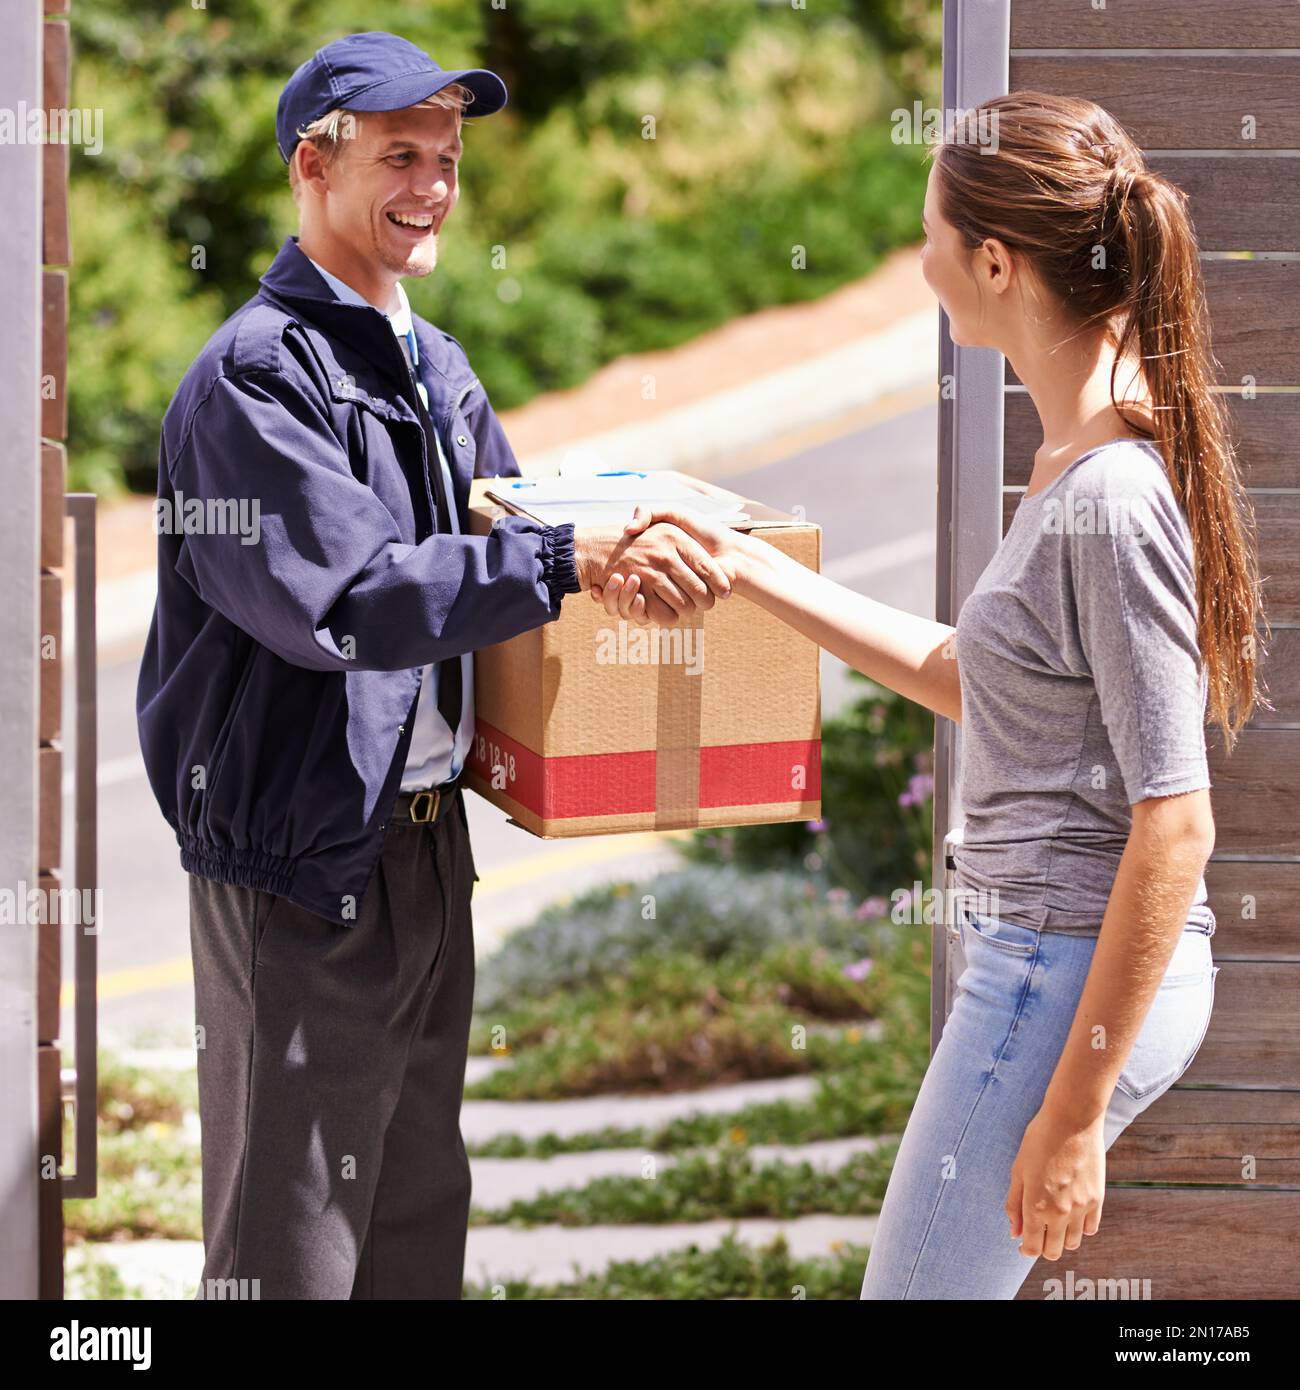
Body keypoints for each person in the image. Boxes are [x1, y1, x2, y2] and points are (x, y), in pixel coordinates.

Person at [595, 91, 1268, 1299]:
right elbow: (980, 680)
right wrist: (747, 565)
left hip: (1058, 983)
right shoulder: (1069, 452)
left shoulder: (1109, 497)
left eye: (930, 237)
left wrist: (1070, 1115)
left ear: (996, 262)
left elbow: (1177, 818)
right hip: (1048, 968)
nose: (918, 262)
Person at [136, 31, 729, 1300]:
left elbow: (503, 540)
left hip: (420, 847)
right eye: (400, 154)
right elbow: (348, 605)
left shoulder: (427, 359)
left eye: (448, 158)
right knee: (291, 1243)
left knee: (413, 1226)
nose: (433, 186)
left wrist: (621, 545)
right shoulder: (256, 380)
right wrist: (574, 554)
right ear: (314, 163)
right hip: (302, 863)